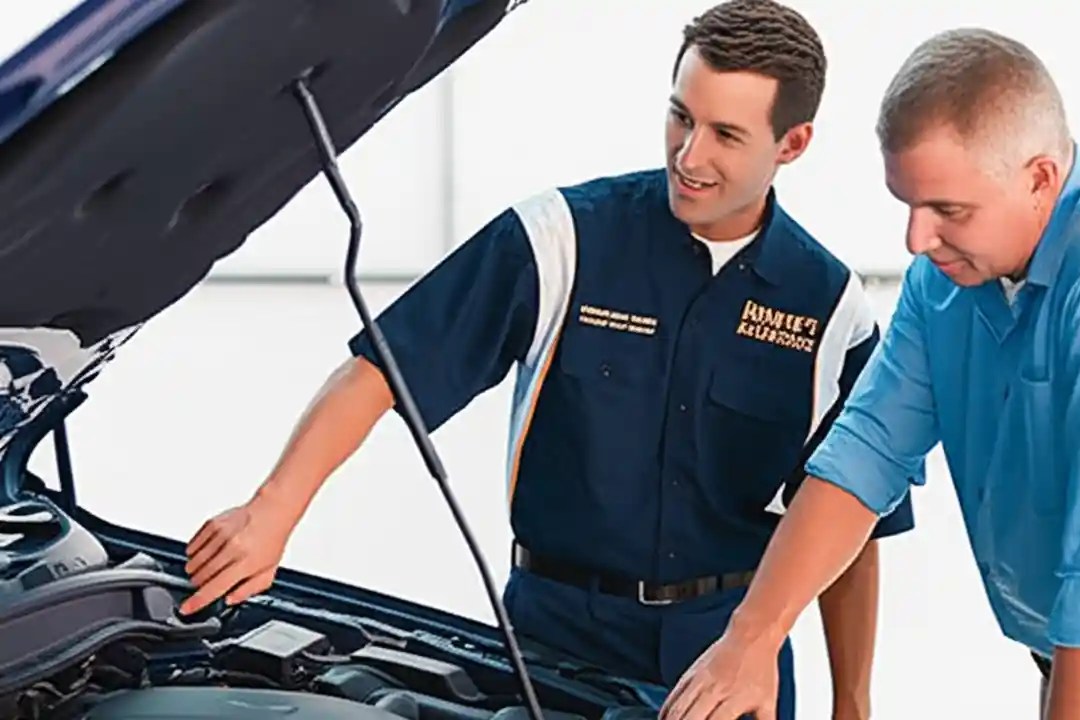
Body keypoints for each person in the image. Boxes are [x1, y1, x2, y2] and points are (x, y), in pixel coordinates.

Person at [177, 2, 916, 718]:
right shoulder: (560, 239)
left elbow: (853, 521)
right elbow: (383, 371)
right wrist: (273, 510)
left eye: (726, 134)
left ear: (792, 144)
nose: (689, 156)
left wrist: (853, 704)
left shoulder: (830, 307)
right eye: (680, 116)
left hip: (730, 654)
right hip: (554, 641)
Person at [658, 26, 1080, 720]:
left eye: (949, 211)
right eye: (909, 206)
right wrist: (750, 640)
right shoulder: (947, 275)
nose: (916, 241)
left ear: (1039, 177)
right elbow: (866, 453)